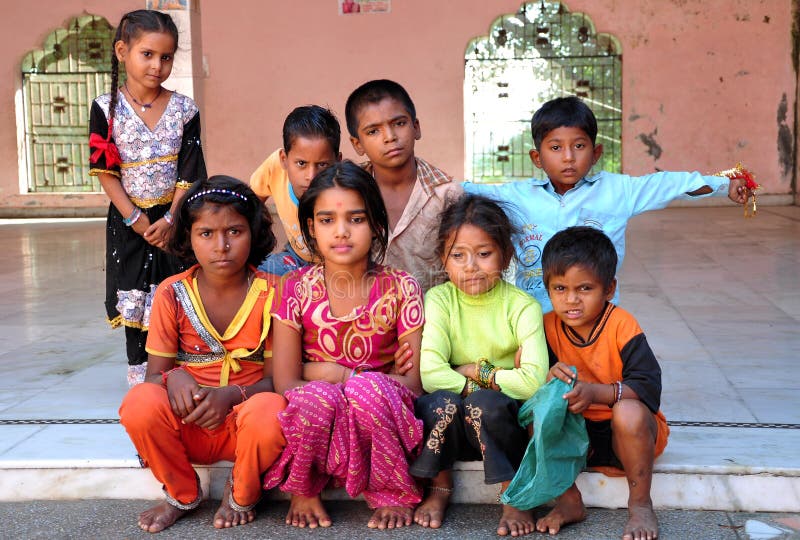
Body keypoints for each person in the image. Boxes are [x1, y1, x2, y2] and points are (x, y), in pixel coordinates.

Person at [464, 96, 752, 313]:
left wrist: (723, 185)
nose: (568, 157)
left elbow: (669, 185)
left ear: (596, 152)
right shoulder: (518, 196)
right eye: (555, 147)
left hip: (597, 319)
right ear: (537, 158)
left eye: (579, 146)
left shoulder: (617, 191)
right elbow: (459, 190)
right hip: (534, 321)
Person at [118, 176, 287, 533]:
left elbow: (280, 382)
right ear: (188, 238)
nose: (221, 245)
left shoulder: (274, 292)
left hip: (245, 425)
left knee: (272, 410)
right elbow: (154, 377)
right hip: (189, 423)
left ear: (254, 233)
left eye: (235, 232)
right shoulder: (171, 293)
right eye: (206, 233)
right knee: (138, 402)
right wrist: (173, 376)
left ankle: (242, 491)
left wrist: (231, 395)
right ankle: (181, 492)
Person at [263, 161, 425, 530]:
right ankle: (304, 487)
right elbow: (286, 383)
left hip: (378, 417)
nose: (341, 232)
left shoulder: (402, 287)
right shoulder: (294, 287)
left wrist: (346, 378)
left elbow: (414, 385)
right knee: (318, 397)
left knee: (367, 391)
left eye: (356, 219)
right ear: (310, 228)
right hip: (320, 417)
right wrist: (342, 375)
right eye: (326, 220)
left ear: (377, 225)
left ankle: (392, 489)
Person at [410, 194, 549, 536]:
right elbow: (429, 372)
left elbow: (533, 382)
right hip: (454, 422)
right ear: (444, 259)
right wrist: (493, 378)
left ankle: (513, 494)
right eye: (458, 255)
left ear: (506, 255)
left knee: (484, 403)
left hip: (502, 423)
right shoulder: (440, 300)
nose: (471, 266)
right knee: (439, 402)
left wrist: (477, 372)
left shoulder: (522, 306)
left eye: (484, 254)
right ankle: (440, 486)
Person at [89, 9, 207, 386]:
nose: (158, 65)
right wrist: (135, 220)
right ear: (123, 51)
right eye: (148, 54)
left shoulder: (184, 108)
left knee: (181, 299)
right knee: (137, 305)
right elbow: (105, 171)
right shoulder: (105, 108)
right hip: (129, 226)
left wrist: (172, 219)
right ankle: (144, 393)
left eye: (167, 57)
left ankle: (184, 382)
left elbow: (190, 172)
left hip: (175, 222)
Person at [537, 226, 669, 540]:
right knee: (536, 410)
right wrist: (546, 377)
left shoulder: (621, 324)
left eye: (584, 288)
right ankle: (568, 500)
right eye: (559, 288)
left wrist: (597, 393)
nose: (571, 299)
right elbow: (530, 374)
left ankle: (640, 504)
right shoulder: (545, 326)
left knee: (628, 411)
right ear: (547, 288)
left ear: (609, 288)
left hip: (626, 436)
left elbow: (649, 386)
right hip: (578, 435)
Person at [345, 79, 462, 293]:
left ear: (416, 127)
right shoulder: (346, 192)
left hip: (431, 321)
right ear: (357, 144)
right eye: (373, 131)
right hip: (360, 319)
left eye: (399, 123)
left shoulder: (447, 195)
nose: (390, 137)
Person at [249, 105, 342, 275]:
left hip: (338, 262)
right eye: (301, 164)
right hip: (296, 257)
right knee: (259, 273)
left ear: (338, 162)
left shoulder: (345, 190)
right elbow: (250, 205)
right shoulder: (274, 168)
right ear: (284, 159)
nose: (311, 176)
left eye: (322, 165)